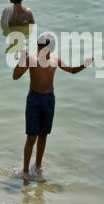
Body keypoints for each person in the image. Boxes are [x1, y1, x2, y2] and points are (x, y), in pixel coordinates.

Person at [12, 33, 91, 179]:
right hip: (34, 99)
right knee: (31, 137)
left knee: (43, 135)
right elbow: (15, 76)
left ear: (51, 48)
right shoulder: (31, 59)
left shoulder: (55, 60)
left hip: (49, 99)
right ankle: (25, 171)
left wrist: (84, 65)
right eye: (38, 46)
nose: (40, 49)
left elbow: (72, 70)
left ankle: (38, 167)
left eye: (43, 47)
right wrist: (22, 60)